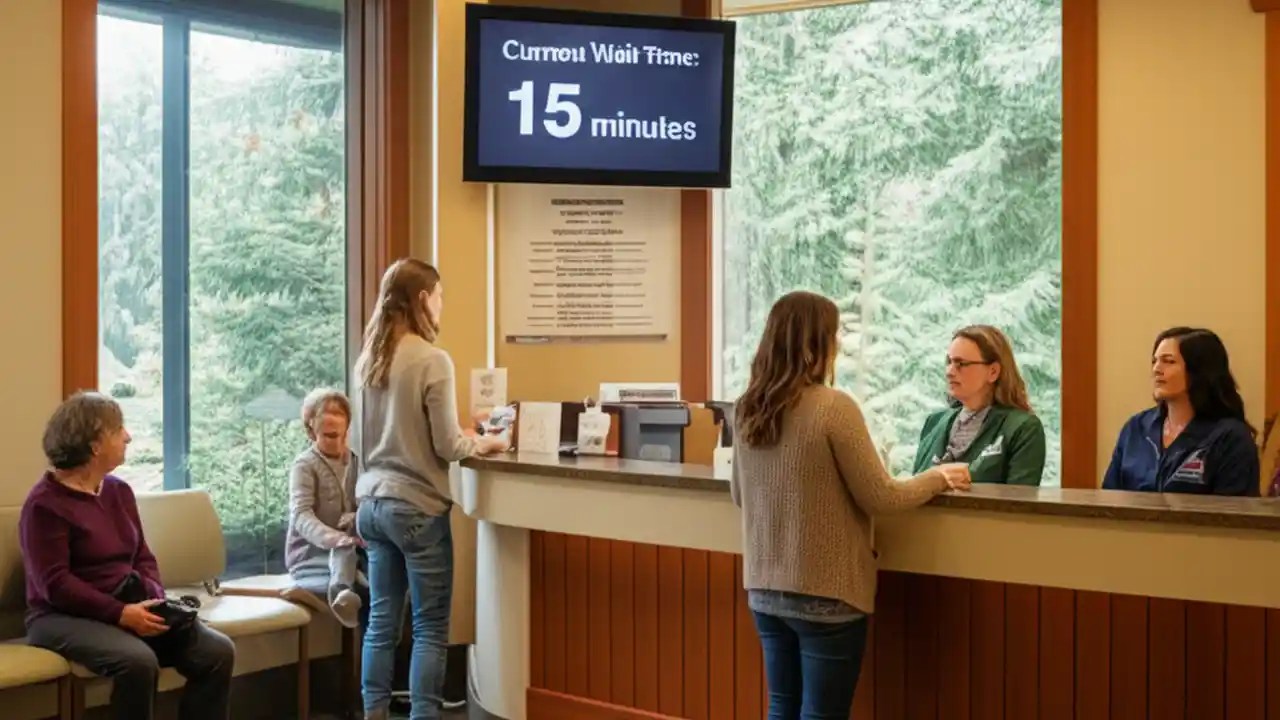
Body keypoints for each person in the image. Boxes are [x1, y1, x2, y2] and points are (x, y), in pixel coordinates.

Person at [730, 291, 971, 720]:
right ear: (812, 346)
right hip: (828, 591)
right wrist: (937, 478)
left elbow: (737, 495)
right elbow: (880, 495)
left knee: (781, 708)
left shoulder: (748, 407)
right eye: (832, 335)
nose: (837, 344)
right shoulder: (833, 408)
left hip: (764, 589)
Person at [352, 258, 509, 720]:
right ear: (423, 298)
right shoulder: (432, 359)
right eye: (439, 297)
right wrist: (491, 440)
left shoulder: (369, 358)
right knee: (429, 628)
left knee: (381, 622)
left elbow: (368, 440)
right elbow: (449, 445)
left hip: (372, 505)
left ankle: (374, 714)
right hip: (417, 507)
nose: (442, 307)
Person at [20, 391, 235, 720]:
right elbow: (55, 585)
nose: (128, 436)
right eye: (118, 429)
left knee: (217, 652)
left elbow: (142, 556)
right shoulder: (44, 505)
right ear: (94, 444)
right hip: (60, 617)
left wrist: (153, 595)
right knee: (137, 662)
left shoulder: (118, 491)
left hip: (129, 604)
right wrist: (120, 613)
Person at [1103, 327, 1259, 495]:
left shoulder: (1229, 438)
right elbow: (1109, 498)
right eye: (1154, 361)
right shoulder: (1136, 428)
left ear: (1199, 370)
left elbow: (1235, 515)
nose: (1156, 369)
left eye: (1168, 361)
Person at [911, 325, 1047, 485]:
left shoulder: (1023, 429)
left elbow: (1020, 506)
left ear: (993, 372)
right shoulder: (933, 423)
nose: (949, 371)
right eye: (949, 362)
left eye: (960, 363)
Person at [286, 387, 367, 628]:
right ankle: (341, 590)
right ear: (312, 431)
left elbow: (366, 502)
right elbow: (301, 515)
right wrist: (334, 538)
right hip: (311, 556)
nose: (338, 444)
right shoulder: (304, 465)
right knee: (347, 555)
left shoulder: (355, 461)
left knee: (379, 574)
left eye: (342, 435)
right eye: (330, 436)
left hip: (352, 550)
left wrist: (356, 517)